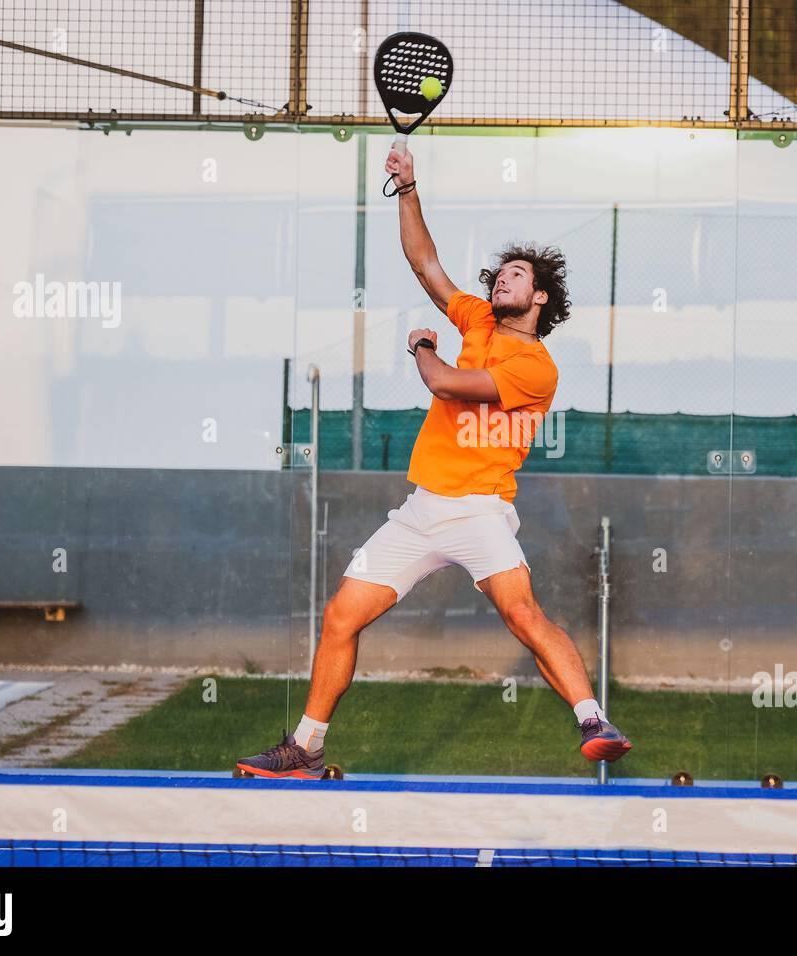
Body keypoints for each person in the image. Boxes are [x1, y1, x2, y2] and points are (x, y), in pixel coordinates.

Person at [236, 143, 631, 779]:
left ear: (540, 301)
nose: (503, 278)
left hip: (480, 510)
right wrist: (409, 187)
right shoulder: (475, 317)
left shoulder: (534, 366)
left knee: (521, 613)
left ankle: (593, 719)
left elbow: (445, 385)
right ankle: (306, 747)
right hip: (422, 510)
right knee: (341, 616)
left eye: (519, 276)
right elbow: (426, 263)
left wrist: (422, 344)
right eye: (501, 272)